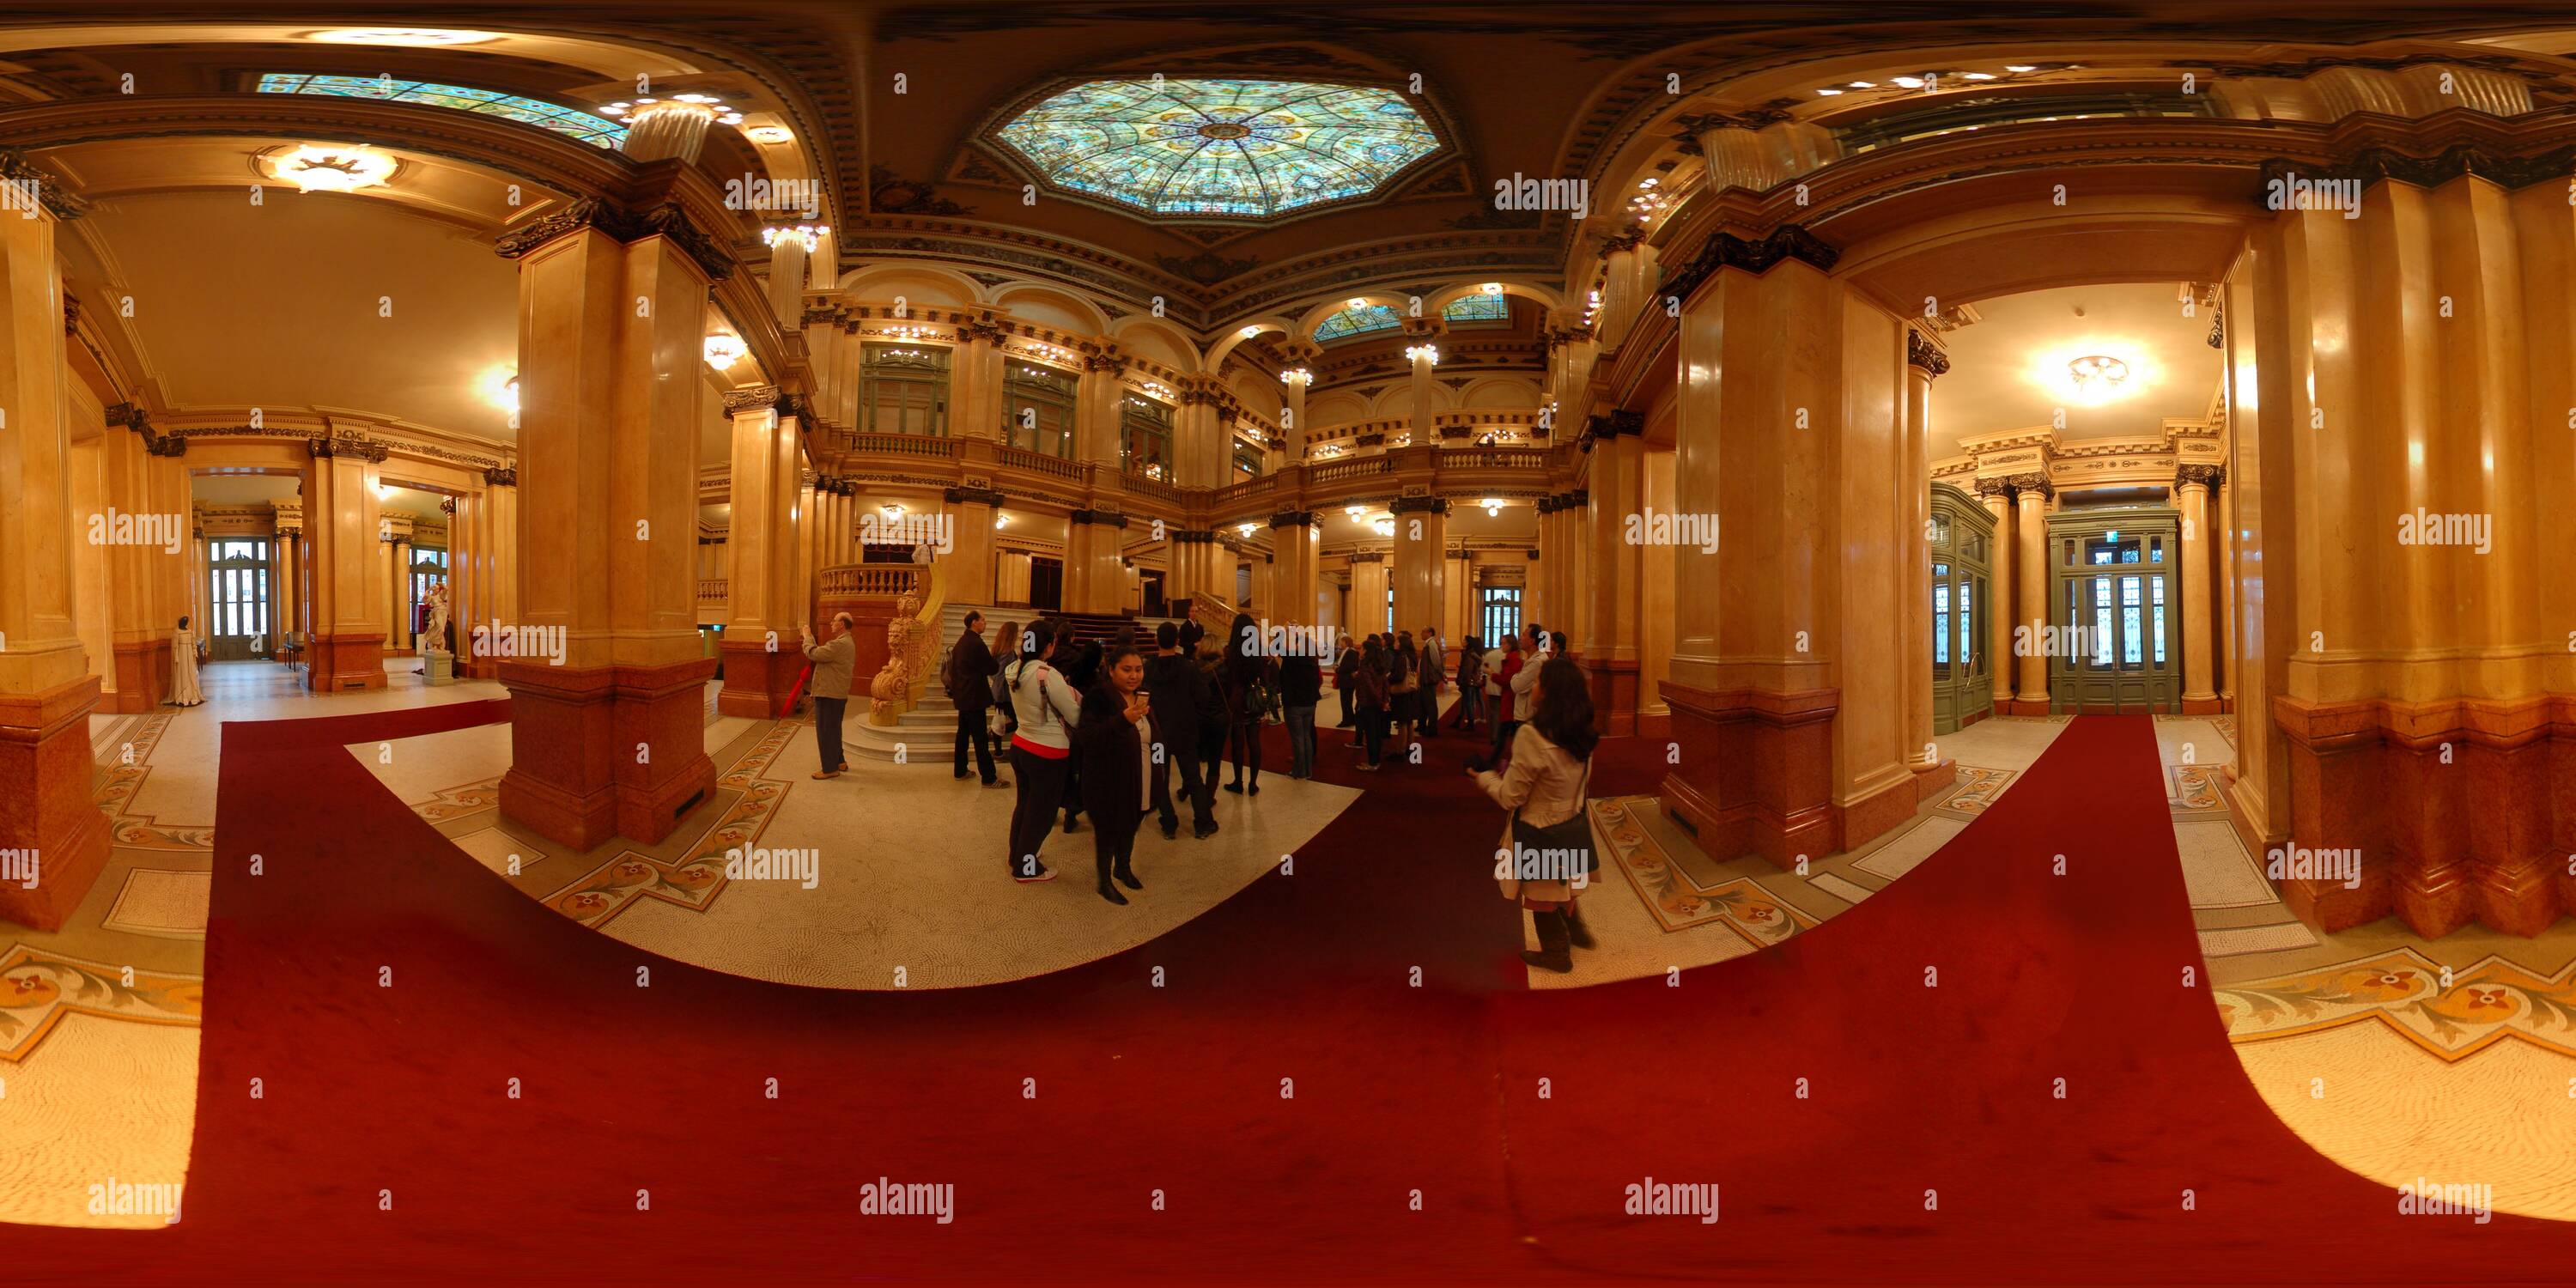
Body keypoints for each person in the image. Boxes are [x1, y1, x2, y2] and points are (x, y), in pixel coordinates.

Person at [1473, 657, 1601, 974]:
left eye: (1539, 680)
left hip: (1540, 828)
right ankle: (1576, 930)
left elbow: (1511, 796)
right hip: (1575, 822)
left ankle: (1557, 952)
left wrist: (1481, 776)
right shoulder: (1583, 730)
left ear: (1550, 691)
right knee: (1564, 882)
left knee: (1542, 892)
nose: (1534, 685)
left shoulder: (1533, 735)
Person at [1073, 645, 1154, 905]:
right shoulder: (1099, 697)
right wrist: (1122, 720)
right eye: (1127, 670)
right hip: (1107, 779)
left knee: (1132, 821)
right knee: (1108, 829)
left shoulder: (1142, 696)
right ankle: (1104, 882)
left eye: (1138, 669)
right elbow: (1088, 738)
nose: (1134, 675)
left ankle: (1123, 868)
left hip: (1140, 773)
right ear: (1111, 670)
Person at [1003, 619, 1082, 884]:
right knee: (1043, 813)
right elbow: (1075, 716)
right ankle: (1026, 868)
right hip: (1047, 753)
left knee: (1025, 805)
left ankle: (1017, 854)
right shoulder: (1048, 675)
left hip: (1021, 745)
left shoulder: (1014, 668)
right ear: (1049, 646)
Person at [1145, 622, 1218, 839]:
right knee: (1193, 779)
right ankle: (1203, 824)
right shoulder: (1188, 667)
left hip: (1158, 735)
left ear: (1156, 640)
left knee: (1161, 780)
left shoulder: (1148, 668)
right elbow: (1204, 698)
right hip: (1185, 733)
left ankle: (1168, 823)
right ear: (1177, 642)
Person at [946, 611, 1005, 787]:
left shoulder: (961, 642)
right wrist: (996, 658)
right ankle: (989, 778)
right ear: (974, 623)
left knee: (962, 736)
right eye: (983, 620)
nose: (985, 623)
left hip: (963, 697)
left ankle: (960, 770)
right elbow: (992, 668)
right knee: (980, 740)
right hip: (974, 698)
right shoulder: (976, 643)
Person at [1221, 611, 1277, 795]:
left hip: (1237, 700)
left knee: (1237, 744)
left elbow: (1228, 678)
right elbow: (1264, 676)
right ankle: (1253, 783)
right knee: (1254, 742)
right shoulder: (1258, 650)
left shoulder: (1230, 651)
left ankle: (1238, 781)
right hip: (1254, 699)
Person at [798, 611, 856, 780]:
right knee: (834, 730)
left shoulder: (840, 644)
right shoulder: (845, 642)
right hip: (835, 693)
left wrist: (807, 636)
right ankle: (839, 762)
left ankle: (830, 769)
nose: (831, 623)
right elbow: (821, 653)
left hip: (829, 693)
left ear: (842, 624)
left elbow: (814, 654)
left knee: (825, 731)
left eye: (834, 621)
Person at [1279, 641, 1322, 780]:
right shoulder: (1313, 663)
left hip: (1294, 704)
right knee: (1306, 736)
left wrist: (1284, 632)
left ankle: (1299, 771)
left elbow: (1279, 649)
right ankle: (1308, 770)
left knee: (1297, 739)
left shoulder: (1291, 660)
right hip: (1310, 704)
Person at [1352, 637, 1389, 772]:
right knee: (1376, 733)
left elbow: (1370, 688)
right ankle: (1376, 760)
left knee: (1371, 734)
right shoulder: (1378, 665)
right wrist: (1384, 701)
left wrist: (1381, 703)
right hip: (1377, 704)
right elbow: (1385, 684)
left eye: (1361, 648)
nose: (1359, 650)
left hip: (1368, 704)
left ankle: (1373, 763)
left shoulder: (1366, 667)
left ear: (1366, 651)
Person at [1489, 630, 1527, 762]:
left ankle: (1494, 760)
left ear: (1511, 645)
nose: (1501, 645)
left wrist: (1493, 674)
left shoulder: (1513, 659)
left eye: (1504, 643)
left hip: (1510, 700)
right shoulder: (1511, 658)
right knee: (1507, 733)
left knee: (1504, 732)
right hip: (1508, 699)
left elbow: (1508, 680)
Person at [1387, 629, 1418, 755]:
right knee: (1409, 721)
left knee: (1402, 722)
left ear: (1401, 644)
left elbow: (1399, 676)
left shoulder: (1401, 657)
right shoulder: (1412, 655)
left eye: (1397, 641)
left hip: (1402, 692)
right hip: (1411, 691)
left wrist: (1388, 678)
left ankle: (1400, 750)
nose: (1395, 643)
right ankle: (1410, 747)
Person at [167, 616, 205, 708]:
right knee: (183, 672)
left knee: (191, 672)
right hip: (181, 655)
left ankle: (192, 693)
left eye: (186, 622)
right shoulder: (177, 632)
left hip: (189, 654)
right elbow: (175, 646)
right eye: (183, 621)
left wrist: (194, 652)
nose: (185, 623)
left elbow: (193, 644)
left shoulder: (189, 632)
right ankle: (182, 695)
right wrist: (176, 656)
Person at [1451, 635, 1485, 732]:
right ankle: (1458, 721)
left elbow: (1467, 670)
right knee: (1464, 702)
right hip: (1470, 681)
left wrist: (1460, 680)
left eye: (1464, 640)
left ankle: (1470, 723)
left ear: (1468, 643)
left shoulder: (1469, 655)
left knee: (1468, 702)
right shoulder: (1469, 653)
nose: (1462, 641)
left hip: (1468, 682)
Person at [1418, 629, 1445, 738]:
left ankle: (1432, 729)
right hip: (1426, 678)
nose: (1421, 634)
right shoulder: (1428, 644)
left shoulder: (1431, 643)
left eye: (1423, 632)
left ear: (1429, 633)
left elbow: (1436, 661)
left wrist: (1440, 673)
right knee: (1424, 704)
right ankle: (1422, 726)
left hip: (1429, 678)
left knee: (1430, 704)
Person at [1332, 634, 1359, 730]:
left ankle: (1347, 720)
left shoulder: (1351, 652)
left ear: (1346, 643)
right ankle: (1350, 719)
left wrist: (1337, 669)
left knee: (1346, 702)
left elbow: (1349, 667)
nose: (1340, 643)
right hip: (1346, 680)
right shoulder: (1346, 651)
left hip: (1348, 681)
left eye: (1342, 641)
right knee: (1346, 702)